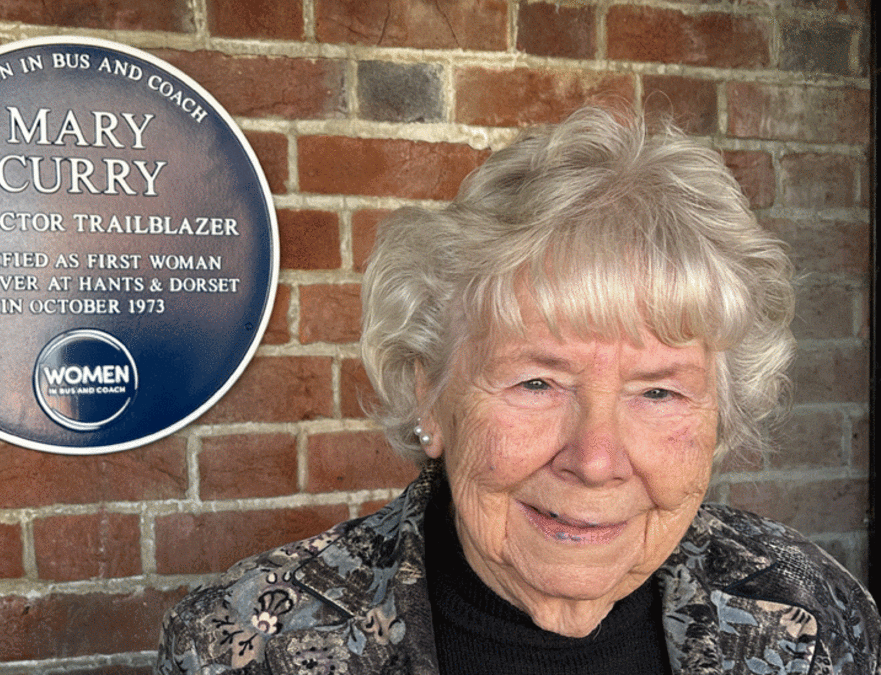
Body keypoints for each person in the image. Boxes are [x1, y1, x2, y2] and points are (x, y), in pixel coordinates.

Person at [154, 107, 879, 674]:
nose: (596, 459)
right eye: (537, 381)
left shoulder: (809, 608)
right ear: (428, 395)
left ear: (723, 416)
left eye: (659, 392)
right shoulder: (247, 644)